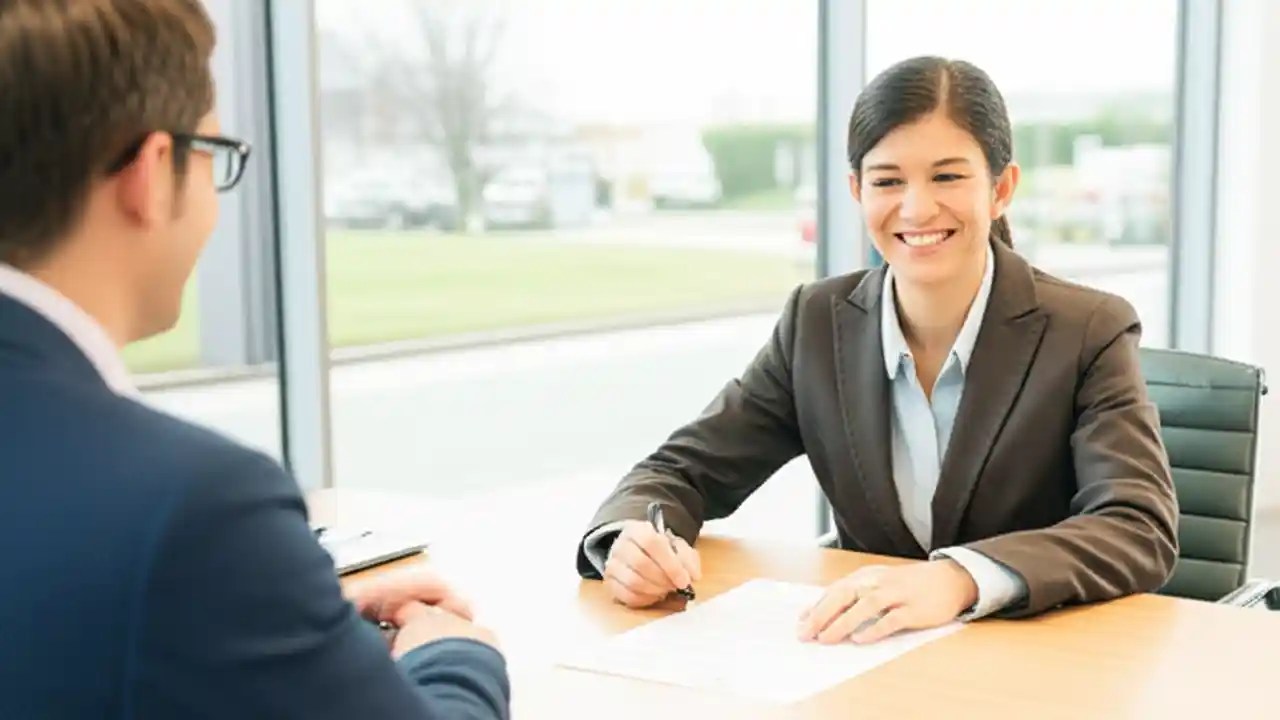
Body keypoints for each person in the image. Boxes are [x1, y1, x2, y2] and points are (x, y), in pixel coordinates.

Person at [0, 1, 509, 717]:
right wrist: (456, 654)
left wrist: (284, 619)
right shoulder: (192, 507)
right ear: (150, 173)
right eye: (214, 154)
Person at [576, 55, 1178, 644]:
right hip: (872, 659)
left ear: (1001, 188)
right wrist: (629, 539)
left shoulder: (1088, 328)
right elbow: (679, 471)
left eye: (947, 176)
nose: (916, 208)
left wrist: (961, 579)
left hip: (1039, 658)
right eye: (888, 181)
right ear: (857, 191)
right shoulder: (816, 325)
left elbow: (1136, 527)